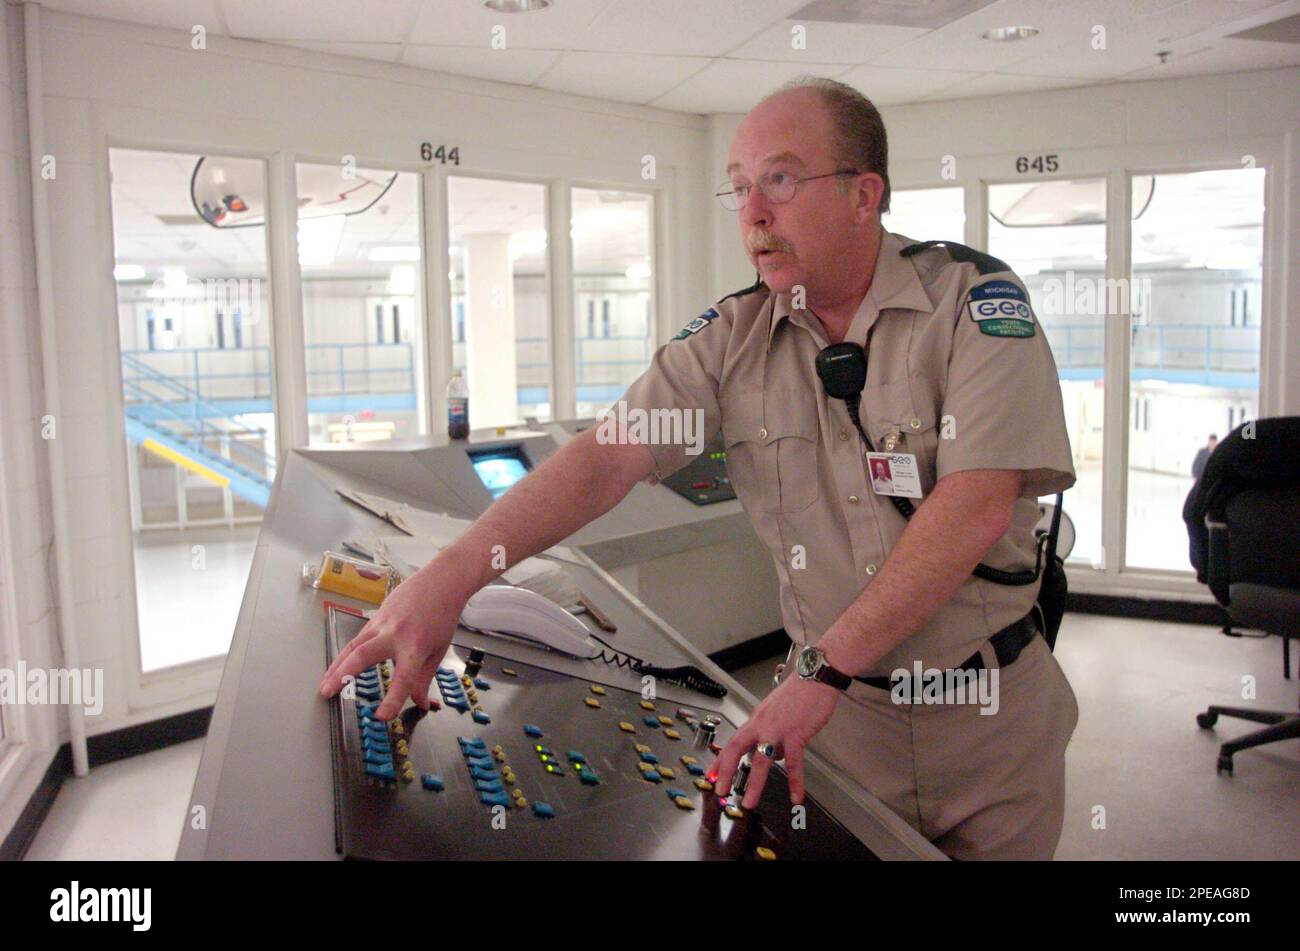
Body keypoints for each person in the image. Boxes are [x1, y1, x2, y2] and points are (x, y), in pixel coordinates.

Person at [320, 76, 1079, 860]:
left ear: (864, 194)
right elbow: (605, 457)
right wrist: (446, 581)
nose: (754, 212)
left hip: (989, 715)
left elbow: (975, 506)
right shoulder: (733, 338)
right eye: (741, 186)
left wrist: (819, 673)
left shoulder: (973, 303)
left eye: (781, 179)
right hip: (839, 727)